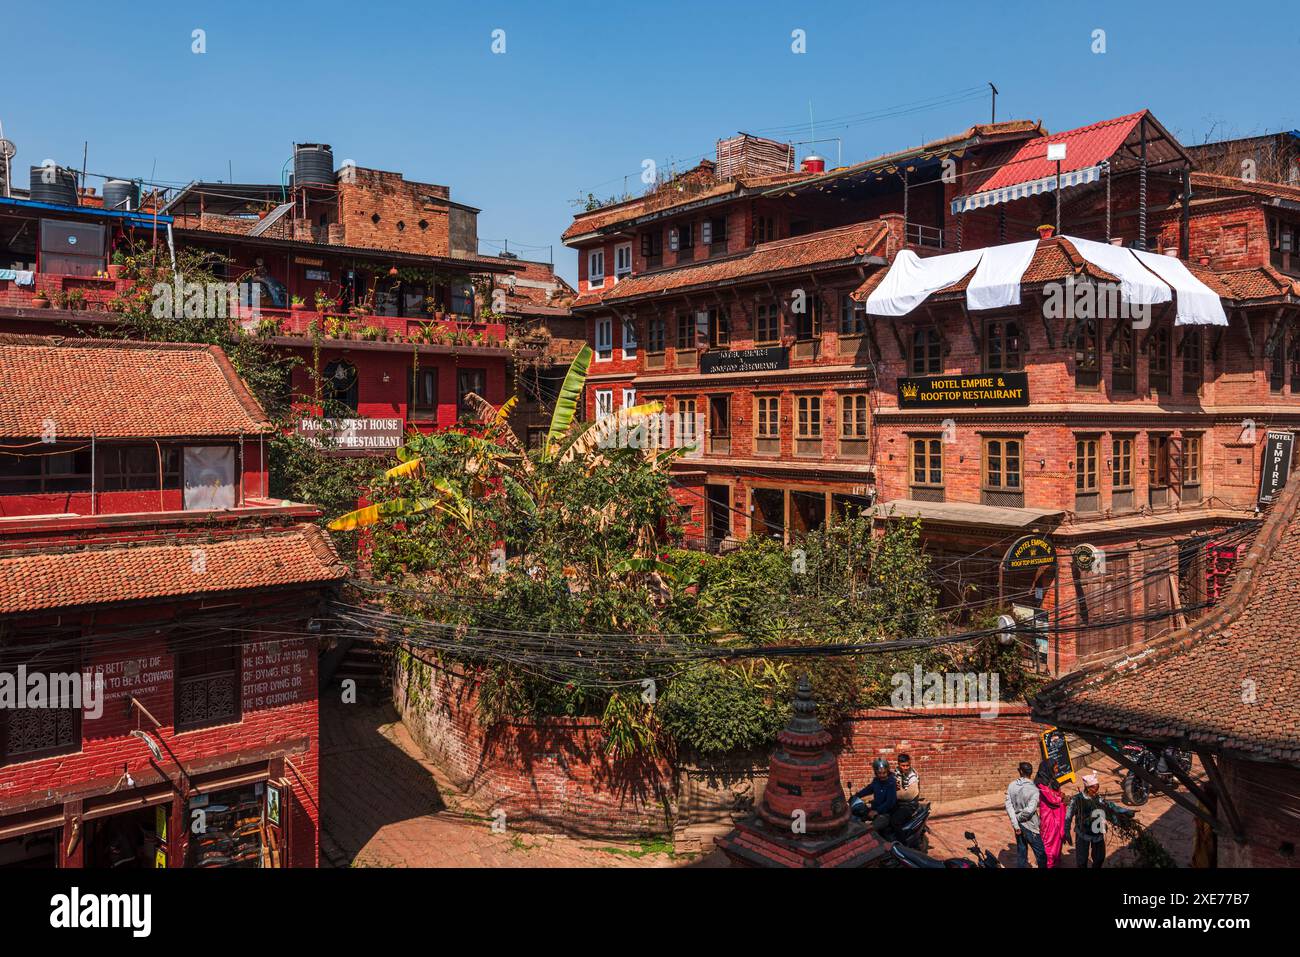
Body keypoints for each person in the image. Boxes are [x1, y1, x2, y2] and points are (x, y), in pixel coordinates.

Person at [1064, 773, 1127, 868]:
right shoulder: (1076, 800)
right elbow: (1068, 817)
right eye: (1094, 789)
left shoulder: (1099, 799)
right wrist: (1067, 831)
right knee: (1082, 860)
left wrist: (1122, 811)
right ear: (1088, 788)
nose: (1096, 791)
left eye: (1097, 788)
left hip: (1097, 833)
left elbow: (1109, 807)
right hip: (1083, 833)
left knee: (1099, 857)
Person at [1005, 761, 1046, 868]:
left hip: (1017, 826)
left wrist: (1015, 823)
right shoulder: (1034, 790)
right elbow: (1029, 810)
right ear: (1031, 772)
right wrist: (1018, 818)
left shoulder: (1011, 785)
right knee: (1041, 854)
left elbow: (1009, 807)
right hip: (1031, 827)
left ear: (1020, 771)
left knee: (1022, 852)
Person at [852, 758, 898, 833]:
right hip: (874, 810)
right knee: (857, 823)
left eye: (884, 773)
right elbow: (868, 789)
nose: (882, 775)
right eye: (879, 773)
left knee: (869, 830)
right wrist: (856, 796)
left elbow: (890, 802)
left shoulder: (891, 783)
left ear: (887, 771)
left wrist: (877, 811)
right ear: (876, 773)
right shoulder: (876, 781)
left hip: (886, 814)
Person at [1035, 760, 1066, 868]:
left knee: (1057, 838)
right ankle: (1049, 863)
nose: (1057, 770)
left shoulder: (1051, 779)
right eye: (1056, 768)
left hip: (1057, 814)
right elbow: (1052, 799)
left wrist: (1060, 795)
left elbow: (1056, 793)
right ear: (1049, 768)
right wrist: (1060, 797)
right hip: (1049, 816)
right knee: (1049, 839)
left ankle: (1055, 860)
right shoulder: (1041, 782)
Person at [894, 753, 921, 823]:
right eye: (903, 766)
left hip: (910, 804)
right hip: (900, 802)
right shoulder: (897, 771)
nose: (906, 767)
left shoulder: (913, 777)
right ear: (899, 765)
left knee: (895, 820)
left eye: (907, 765)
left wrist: (893, 794)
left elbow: (908, 796)